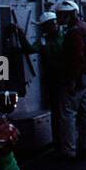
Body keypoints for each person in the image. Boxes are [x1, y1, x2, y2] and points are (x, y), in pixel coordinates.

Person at [54, 0, 86, 160]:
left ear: (68, 14)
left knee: (67, 115)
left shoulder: (73, 32)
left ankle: (68, 151)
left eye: (60, 15)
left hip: (75, 79)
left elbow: (76, 58)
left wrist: (72, 80)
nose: (58, 18)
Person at [29, 12, 65, 148]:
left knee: (61, 113)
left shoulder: (58, 38)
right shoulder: (61, 37)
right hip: (57, 81)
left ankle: (62, 142)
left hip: (60, 80)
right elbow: (30, 49)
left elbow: (29, 49)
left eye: (44, 26)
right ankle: (61, 142)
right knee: (59, 113)